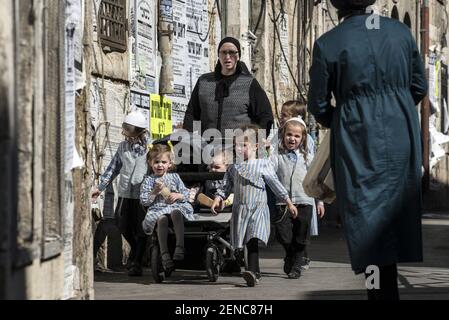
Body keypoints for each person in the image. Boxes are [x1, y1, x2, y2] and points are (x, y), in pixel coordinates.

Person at [307, 0, 428, 300]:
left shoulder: (328, 43)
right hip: (400, 132)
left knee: (367, 216)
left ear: (337, 7)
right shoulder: (400, 33)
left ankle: (380, 292)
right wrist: (393, 109)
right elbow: (419, 87)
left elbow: (319, 105)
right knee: (392, 216)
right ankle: (385, 290)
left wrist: (346, 115)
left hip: (357, 136)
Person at [211, 124, 298, 287]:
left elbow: (275, 184)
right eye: (236, 145)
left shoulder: (262, 164)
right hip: (240, 209)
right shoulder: (233, 167)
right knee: (242, 241)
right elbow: (225, 186)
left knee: (252, 238)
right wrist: (218, 199)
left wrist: (288, 202)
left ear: (255, 146)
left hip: (258, 208)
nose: (238, 148)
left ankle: (252, 271)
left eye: (243, 145)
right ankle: (250, 269)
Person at [267, 99, 325, 270]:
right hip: (283, 198)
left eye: (284, 115)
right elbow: (269, 165)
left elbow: (316, 176)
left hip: (304, 197)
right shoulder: (278, 146)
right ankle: (293, 254)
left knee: (301, 232)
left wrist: (319, 200)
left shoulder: (306, 153)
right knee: (283, 233)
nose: (292, 138)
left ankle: (298, 260)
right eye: (289, 135)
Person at [91, 110, 150, 276]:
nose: (126, 133)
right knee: (123, 225)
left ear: (139, 130)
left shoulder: (149, 146)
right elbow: (114, 167)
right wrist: (100, 187)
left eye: (130, 129)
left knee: (141, 229)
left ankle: (136, 262)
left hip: (142, 195)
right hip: (125, 193)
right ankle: (136, 252)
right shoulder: (123, 146)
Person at [183, 37, 274, 136]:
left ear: (238, 56)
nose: (227, 57)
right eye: (223, 52)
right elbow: (192, 115)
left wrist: (257, 141)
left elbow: (265, 116)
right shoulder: (204, 82)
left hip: (238, 147)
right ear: (218, 55)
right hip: (207, 146)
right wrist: (191, 142)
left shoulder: (249, 83)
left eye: (232, 52)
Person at [140, 144, 195, 274]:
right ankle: (165, 255)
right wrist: (154, 191)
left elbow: (187, 194)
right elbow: (144, 201)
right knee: (162, 220)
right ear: (150, 163)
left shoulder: (174, 177)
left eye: (164, 162)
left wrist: (177, 195)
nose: (160, 165)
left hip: (175, 206)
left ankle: (180, 247)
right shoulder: (148, 180)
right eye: (156, 162)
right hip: (158, 209)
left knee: (176, 212)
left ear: (169, 164)